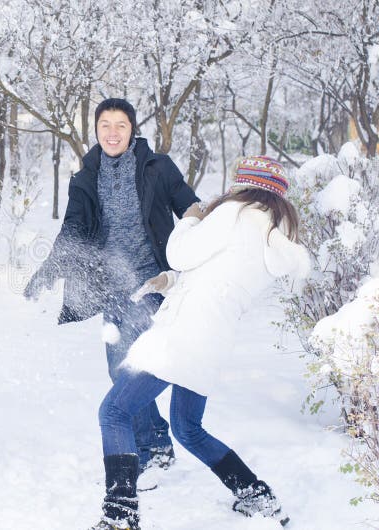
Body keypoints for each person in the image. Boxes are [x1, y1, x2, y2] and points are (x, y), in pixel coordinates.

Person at [90, 156, 309, 530]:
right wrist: (171, 282)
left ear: (244, 186)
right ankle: (259, 497)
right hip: (210, 342)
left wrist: (191, 216)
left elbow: (180, 253)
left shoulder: (237, 213)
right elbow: (220, 278)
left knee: (115, 412)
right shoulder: (271, 234)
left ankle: (121, 515)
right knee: (188, 428)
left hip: (180, 335)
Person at [24, 98, 199, 470]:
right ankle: (155, 443)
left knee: (137, 368)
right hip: (111, 287)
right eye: (105, 124)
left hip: (153, 282)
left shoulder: (157, 167)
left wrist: (198, 252)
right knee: (120, 372)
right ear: (97, 129)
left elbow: (190, 209)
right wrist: (48, 270)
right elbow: (72, 228)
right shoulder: (86, 176)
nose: (113, 132)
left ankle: (150, 450)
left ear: (132, 129)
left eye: (121, 125)